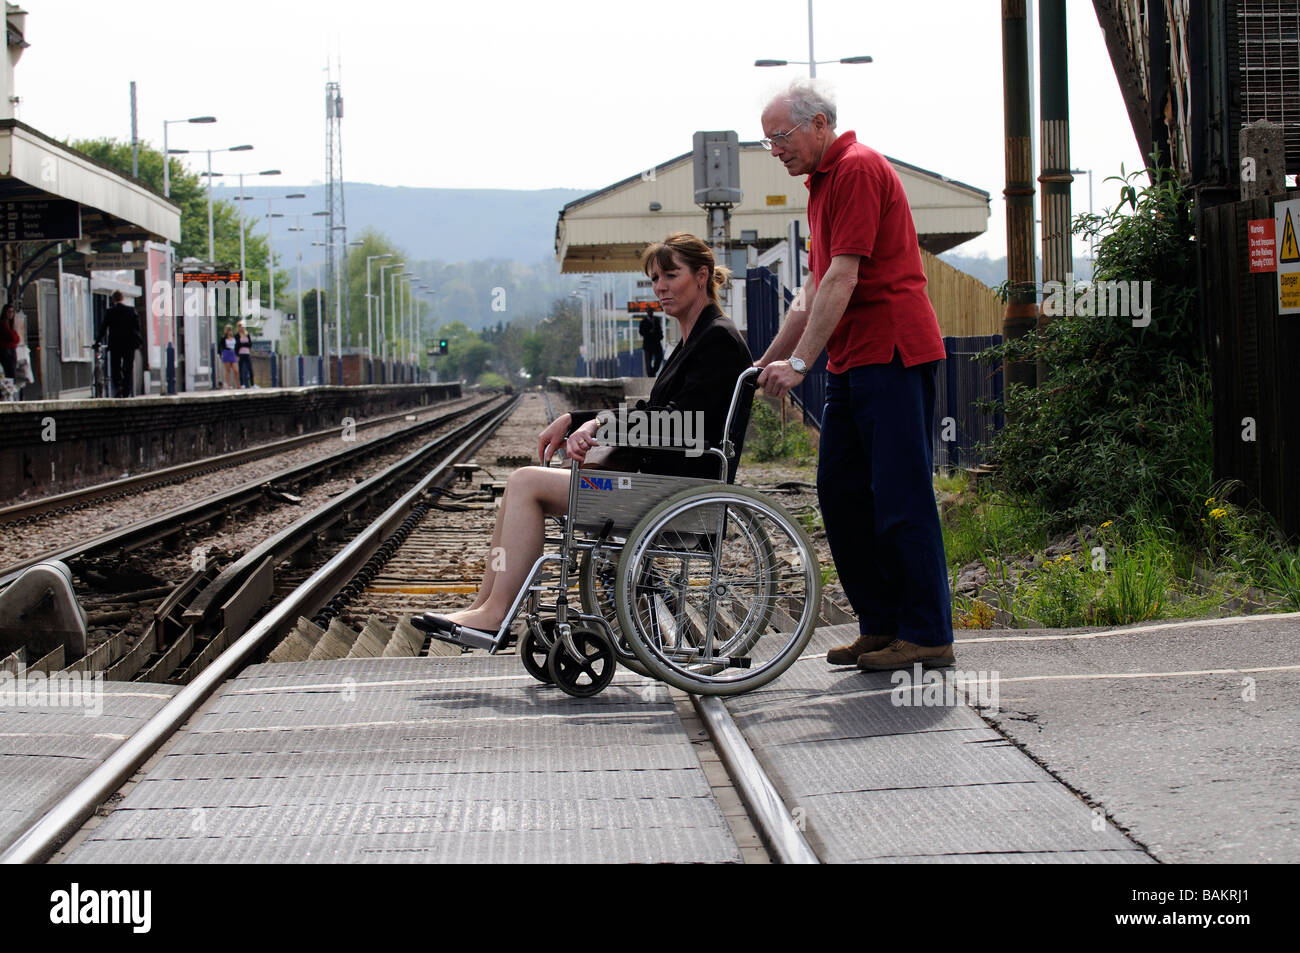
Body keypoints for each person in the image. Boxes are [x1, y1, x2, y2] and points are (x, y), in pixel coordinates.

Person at [414, 232, 752, 642]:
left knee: (525, 483)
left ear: (701, 276)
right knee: (519, 486)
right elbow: (657, 414)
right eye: (653, 279)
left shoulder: (716, 338)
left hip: (676, 492)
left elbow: (684, 425)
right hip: (661, 483)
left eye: (669, 275)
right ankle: (484, 609)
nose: (660, 287)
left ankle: (495, 615)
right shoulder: (693, 338)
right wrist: (577, 418)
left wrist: (596, 426)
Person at [755, 78, 954, 671]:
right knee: (841, 495)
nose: (776, 150)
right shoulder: (821, 184)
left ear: (820, 125)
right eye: (768, 142)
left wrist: (799, 364)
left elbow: (843, 277)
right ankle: (882, 623)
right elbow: (811, 290)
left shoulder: (858, 169)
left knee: (900, 495)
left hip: (891, 352)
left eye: (781, 136)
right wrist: (766, 361)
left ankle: (927, 633)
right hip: (852, 361)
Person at [93, 291, 143, 398]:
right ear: (122, 298)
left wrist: (97, 342)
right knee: (128, 367)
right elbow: (137, 328)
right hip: (129, 345)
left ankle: (118, 386)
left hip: (116, 344)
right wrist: (139, 342)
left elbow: (103, 328)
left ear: (113, 299)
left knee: (115, 366)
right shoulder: (131, 311)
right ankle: (126, 390)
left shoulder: (110, 312)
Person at [639, 310, 664, 376]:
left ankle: (654, 371)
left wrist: (660, 336)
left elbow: (659, 330)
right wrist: (649, 332)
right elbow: (641, 332)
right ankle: (650, 374)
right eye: (649, 312)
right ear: (647, 313)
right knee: (648, 361)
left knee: (659, 357)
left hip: (656, 343)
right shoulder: (643, 321)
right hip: (648, 344)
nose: (650, 313)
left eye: (651, 312)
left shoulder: (656, 320)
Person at [0, 304, 20, 383]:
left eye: (12, 312)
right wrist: (14, 335)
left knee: (11, 373)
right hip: (6, 351)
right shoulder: (3, 324)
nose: (11, 314)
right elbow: (13, 337)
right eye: (9, 312)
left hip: (10, 350)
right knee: (10, 373)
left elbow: (17, 339)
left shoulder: (9, 324)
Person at [235, 321, 254, 388]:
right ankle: (242, 384)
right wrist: (237, 355)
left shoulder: (247, 334)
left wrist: (243, 344)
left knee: (250, 369)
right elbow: (237, 345)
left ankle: (252, 384)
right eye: (240, 327)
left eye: (243, 327)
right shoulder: (237, 335)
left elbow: (250, 344)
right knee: (241, 369)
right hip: (240, 354)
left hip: (247, 353)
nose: (242, 328)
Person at [220, 324, 238, 390]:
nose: (230, 331)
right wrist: (221, 354)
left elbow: (236, 346)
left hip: (233, 353)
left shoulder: (234, 338)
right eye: (228, 330)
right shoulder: (223, 338)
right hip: (226, 353)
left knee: (236, 370)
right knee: (228, 370)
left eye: (230, 330)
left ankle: (238, 384)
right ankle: (228, 384)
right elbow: (221, 347)